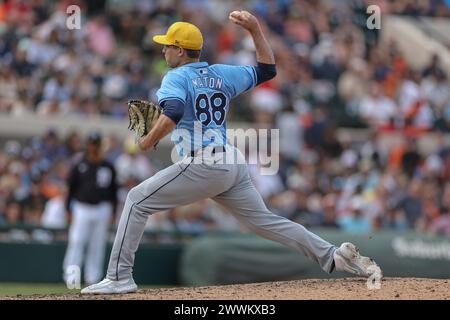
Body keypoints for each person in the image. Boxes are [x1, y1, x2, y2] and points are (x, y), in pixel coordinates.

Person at [82, 11, 381, 294]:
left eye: (168, 46)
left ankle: (119, 277)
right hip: (231, 162)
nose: (163, 51)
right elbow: (267, 69)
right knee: (265, 221)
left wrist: (148, 141)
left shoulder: (176, 77)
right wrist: (254, 29)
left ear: (181, 51)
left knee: (136, 200)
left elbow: (172, 111)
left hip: (206, 162)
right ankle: (333, 256)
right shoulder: (221, 73)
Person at [63, 131, 118, 286]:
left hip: (102, 208)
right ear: (87, 145)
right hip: (82, 207)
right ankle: (71, 278)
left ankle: (92, 279)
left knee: (97, 245)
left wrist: (113, 212)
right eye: (92, 143)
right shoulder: (79, 164)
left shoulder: (108, 166)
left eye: (96, 144)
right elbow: (70, 189)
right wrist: (68, 209)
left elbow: (114, 191)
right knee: (77, 242)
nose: (94, 147)